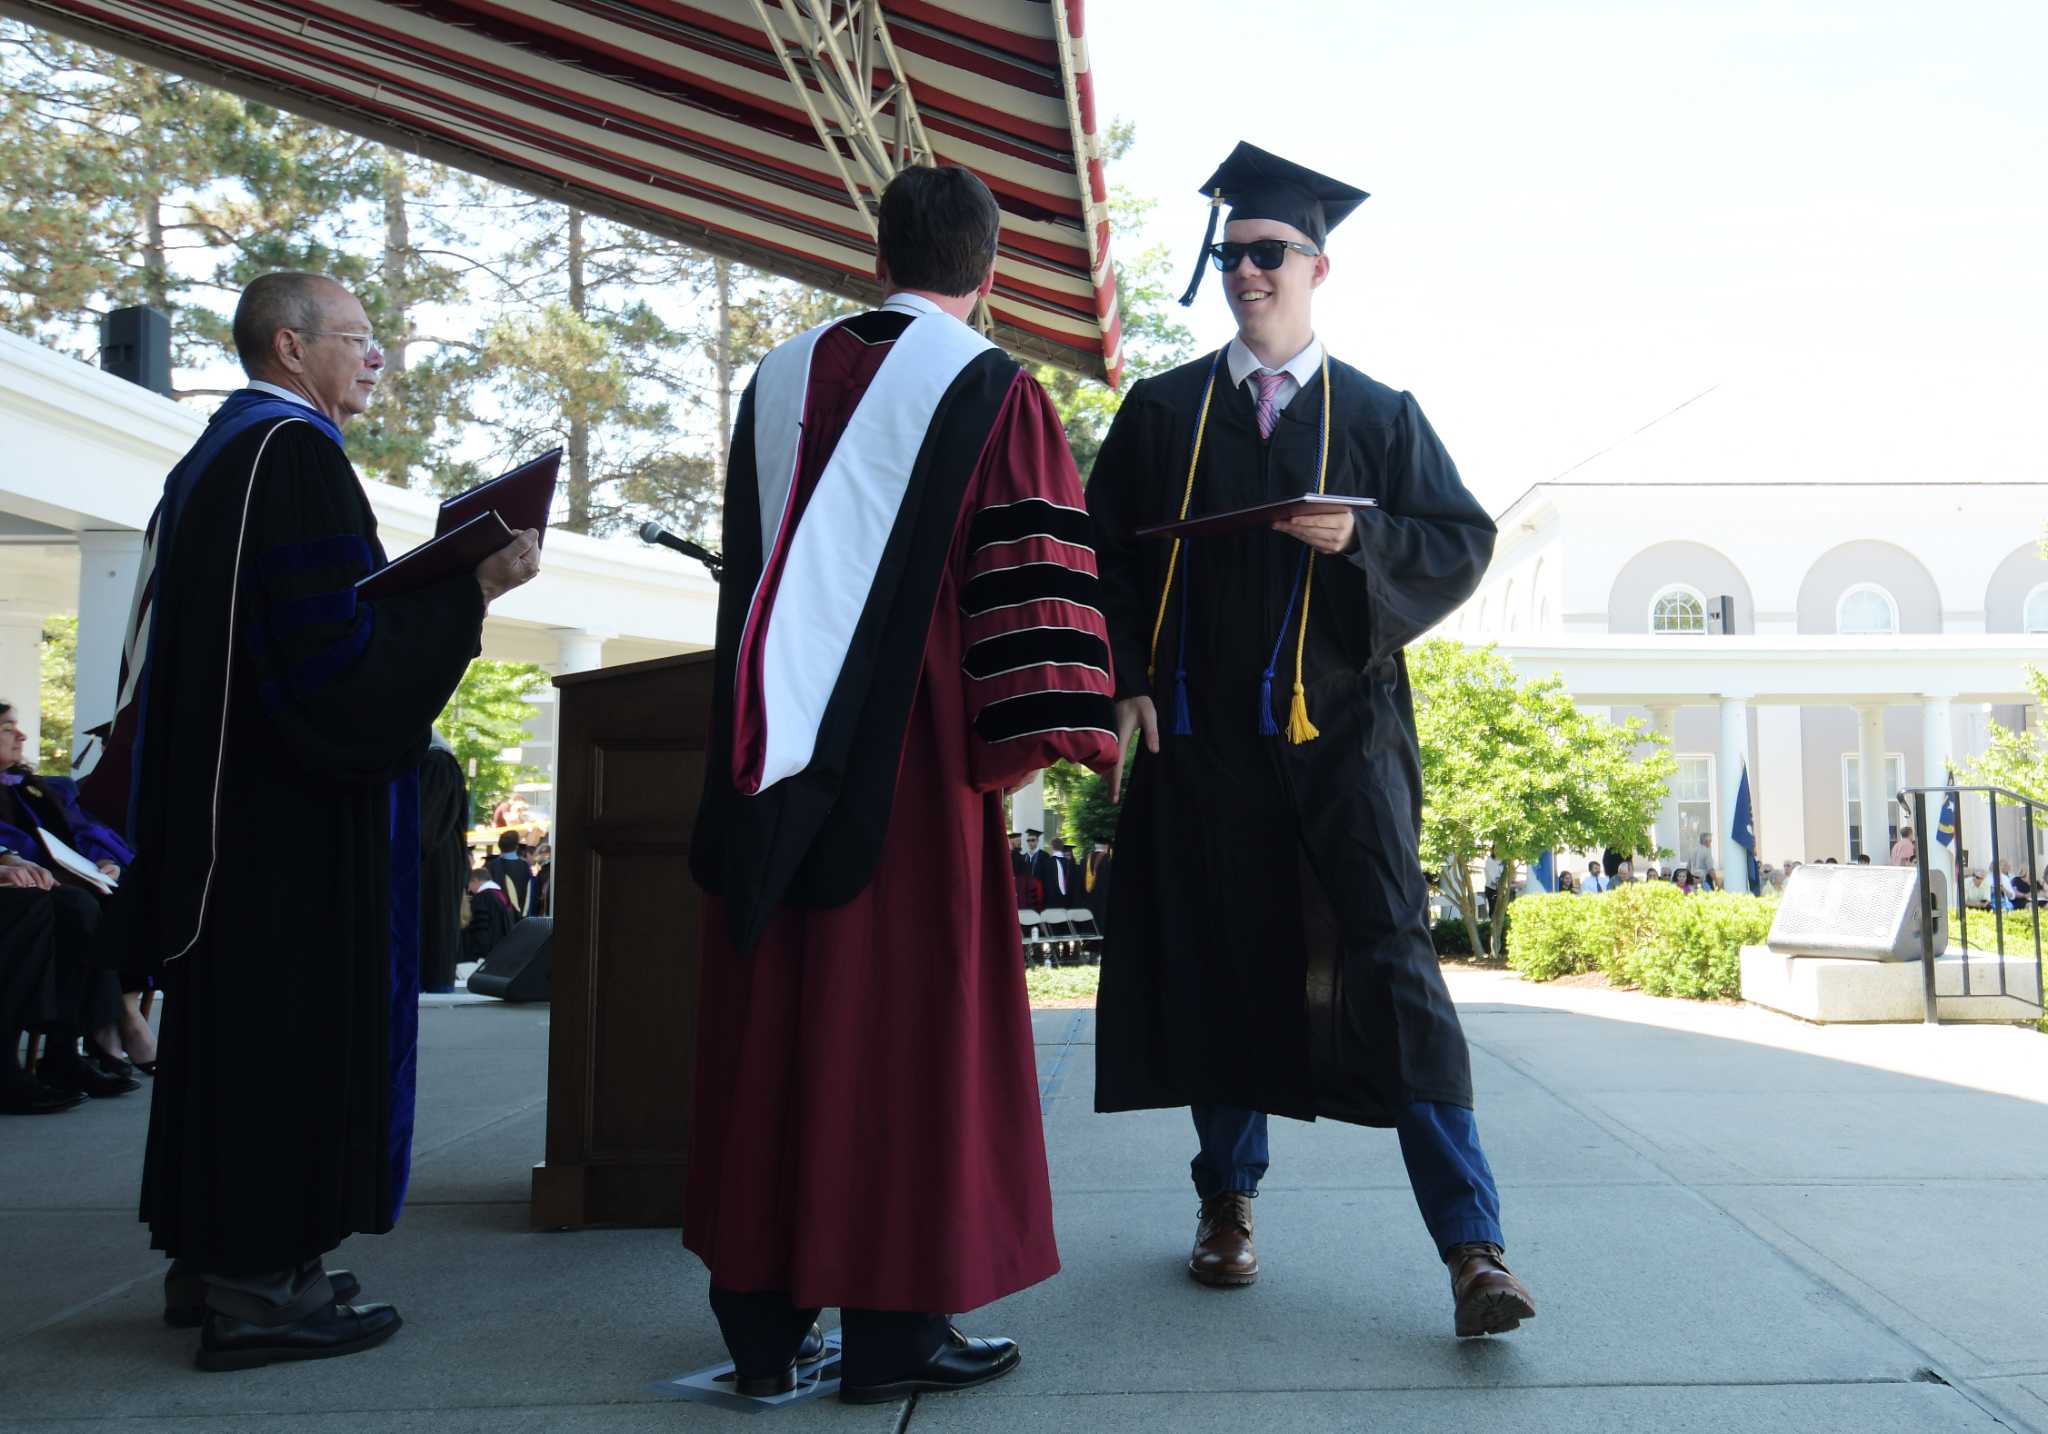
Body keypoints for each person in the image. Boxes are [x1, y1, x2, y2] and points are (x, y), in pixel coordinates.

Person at [683, 165, 1118, 1403]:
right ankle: (891, 1332)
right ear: (987, 271)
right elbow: (1029, 599)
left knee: (777, 1024)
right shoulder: (990, 388)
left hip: (762, 758)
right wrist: (1029, 752)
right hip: (915, 771)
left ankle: (762, 1331)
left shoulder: (776, 379)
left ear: (877, 256)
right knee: (902, 1034)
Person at [1088, 143, 1533, 1337]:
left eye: (1268, 252)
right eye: (1231, 253)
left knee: (1395, 965)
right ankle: (1225, 1202)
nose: (1246, 270)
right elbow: (1101, 556)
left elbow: (1458, 540)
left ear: (1315, 267)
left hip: (1345, 741)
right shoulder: (1164, 411)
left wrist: (1362, 542)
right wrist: (1123, 679)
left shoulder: (1379, 415)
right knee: (1224, 959)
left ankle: (1472, 1247)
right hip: (1202, 741)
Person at [81, 272, 540, 1369]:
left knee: (232, 1041)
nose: (376, 356)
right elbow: (332, 672)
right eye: (358, 336)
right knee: (281, 1042)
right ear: (290, 347)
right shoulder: (292, 455)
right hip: (283, 828)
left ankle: (217, 1260)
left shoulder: (220, 455)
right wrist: (467, 591)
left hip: (228, 813)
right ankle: (261, 1290)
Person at [0, 700, 139, 1099]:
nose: (22, 735)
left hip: (49, 886)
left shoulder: (35, 789)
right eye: (7, 728)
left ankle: (64, 1052)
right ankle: (5, 1063)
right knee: (36, 908)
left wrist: (103, 862)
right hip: (22, 893)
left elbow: (81, 833)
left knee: (81, 905)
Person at [418, 731, 471, 995]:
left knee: (431, 931)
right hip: (437, 862)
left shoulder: (437, 762)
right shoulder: (437, 761)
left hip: (434, 868)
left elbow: (423, 826)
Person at [462, 866, 515, 962]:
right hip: (502, 949)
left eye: (469, 884)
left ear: (475, 881)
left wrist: (479, 953)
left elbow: (480, 929)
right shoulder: (501, 894)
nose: (469, 889)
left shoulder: (482, 898)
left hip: (485, 953)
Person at [485, 830, 533, 917]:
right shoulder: (525, 866)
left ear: (499, 846)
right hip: (522, 914)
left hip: (499, 915)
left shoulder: (492, 866)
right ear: (517, 846)